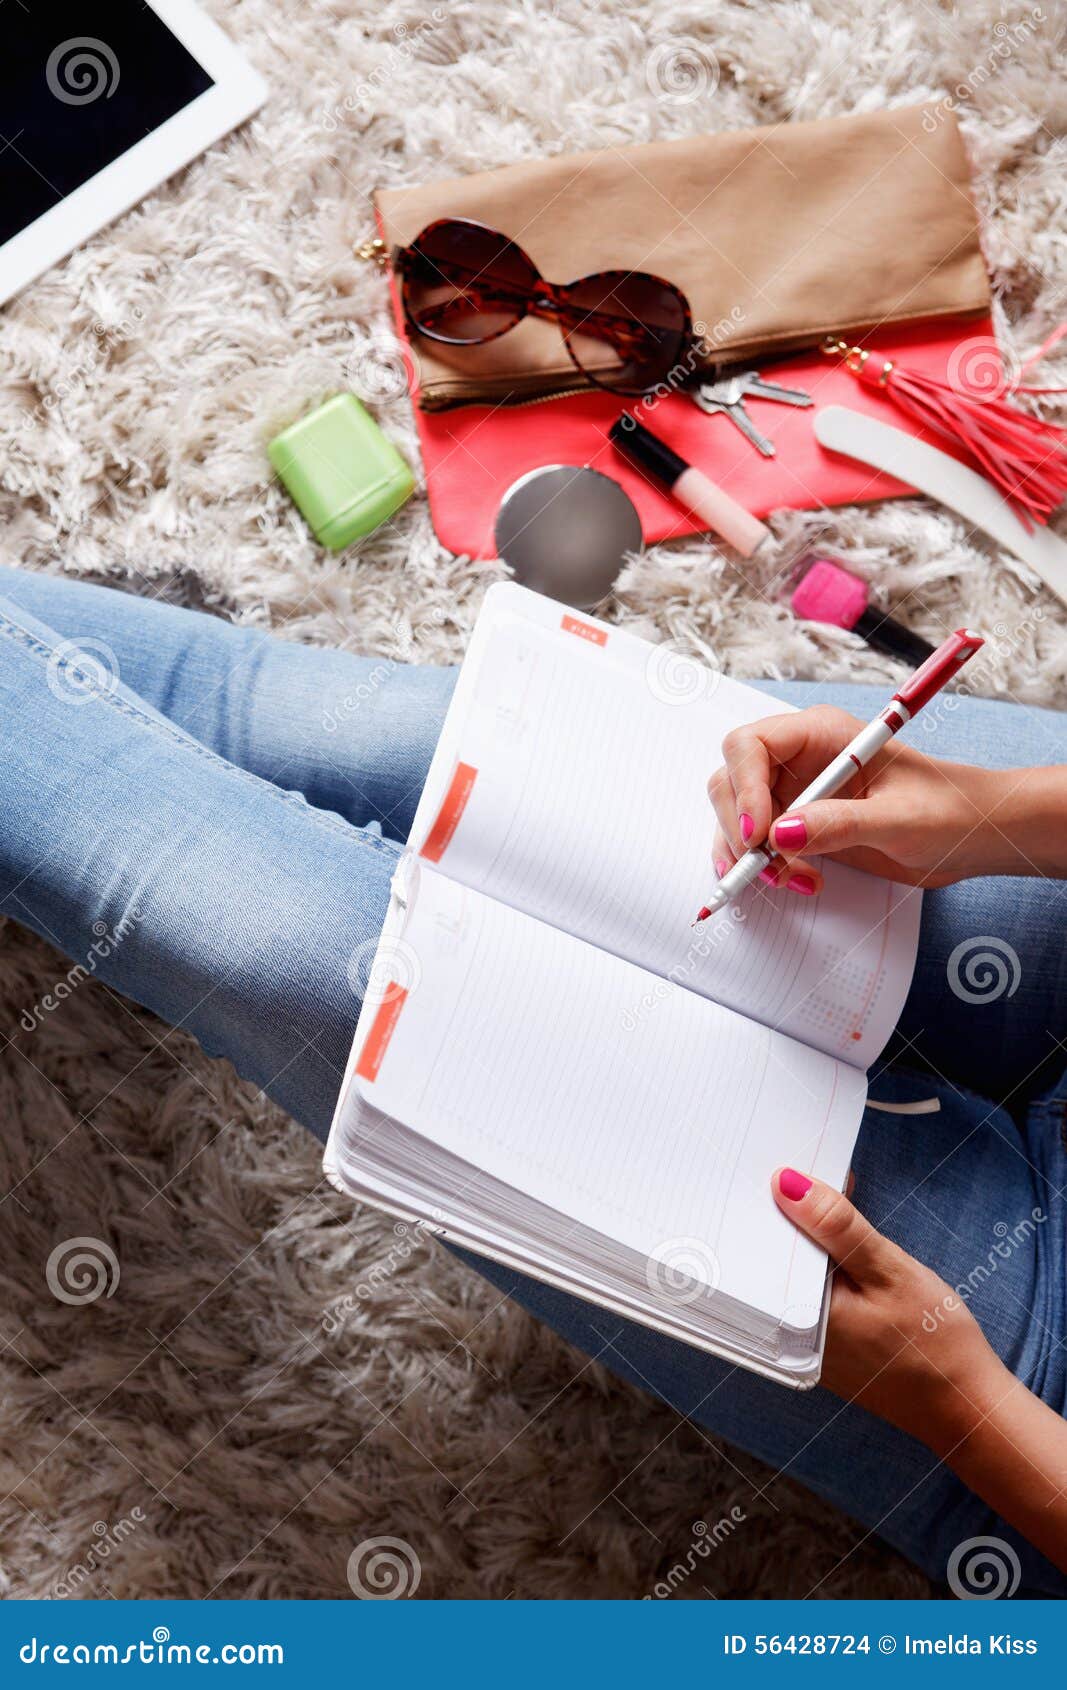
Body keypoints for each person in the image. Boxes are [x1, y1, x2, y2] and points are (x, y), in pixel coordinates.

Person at [1, 566, 1064, 1594]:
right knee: (341, 734)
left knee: (290, 957)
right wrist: (995, 810)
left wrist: (958, 1399)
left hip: (1020, 1388)